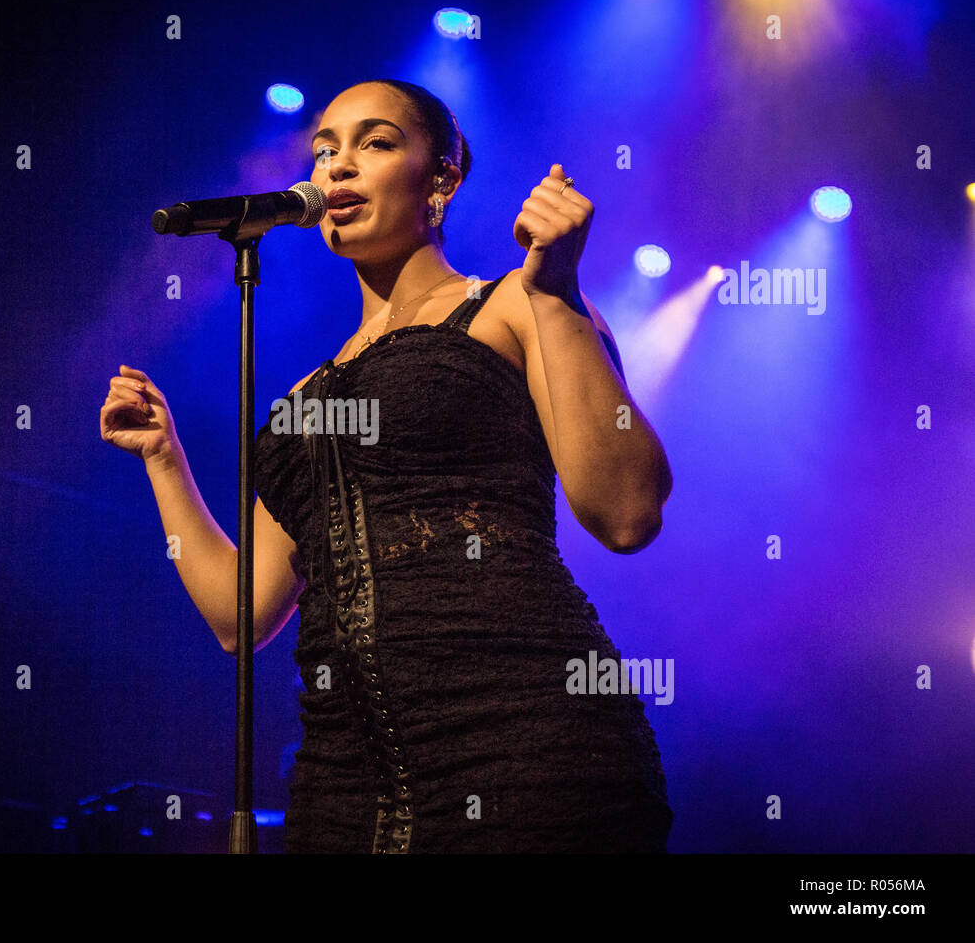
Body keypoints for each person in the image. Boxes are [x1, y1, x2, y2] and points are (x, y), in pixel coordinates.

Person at [101, 78, 674, 853]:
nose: (336, 167)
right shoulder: (306, 394)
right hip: (343, 779)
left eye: (373, 143)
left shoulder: (513, 303)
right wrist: (165, 461)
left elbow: (627, 511)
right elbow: (243, 620)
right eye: (324, 150)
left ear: (442, 175)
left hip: (527, 742)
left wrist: (558, 291)